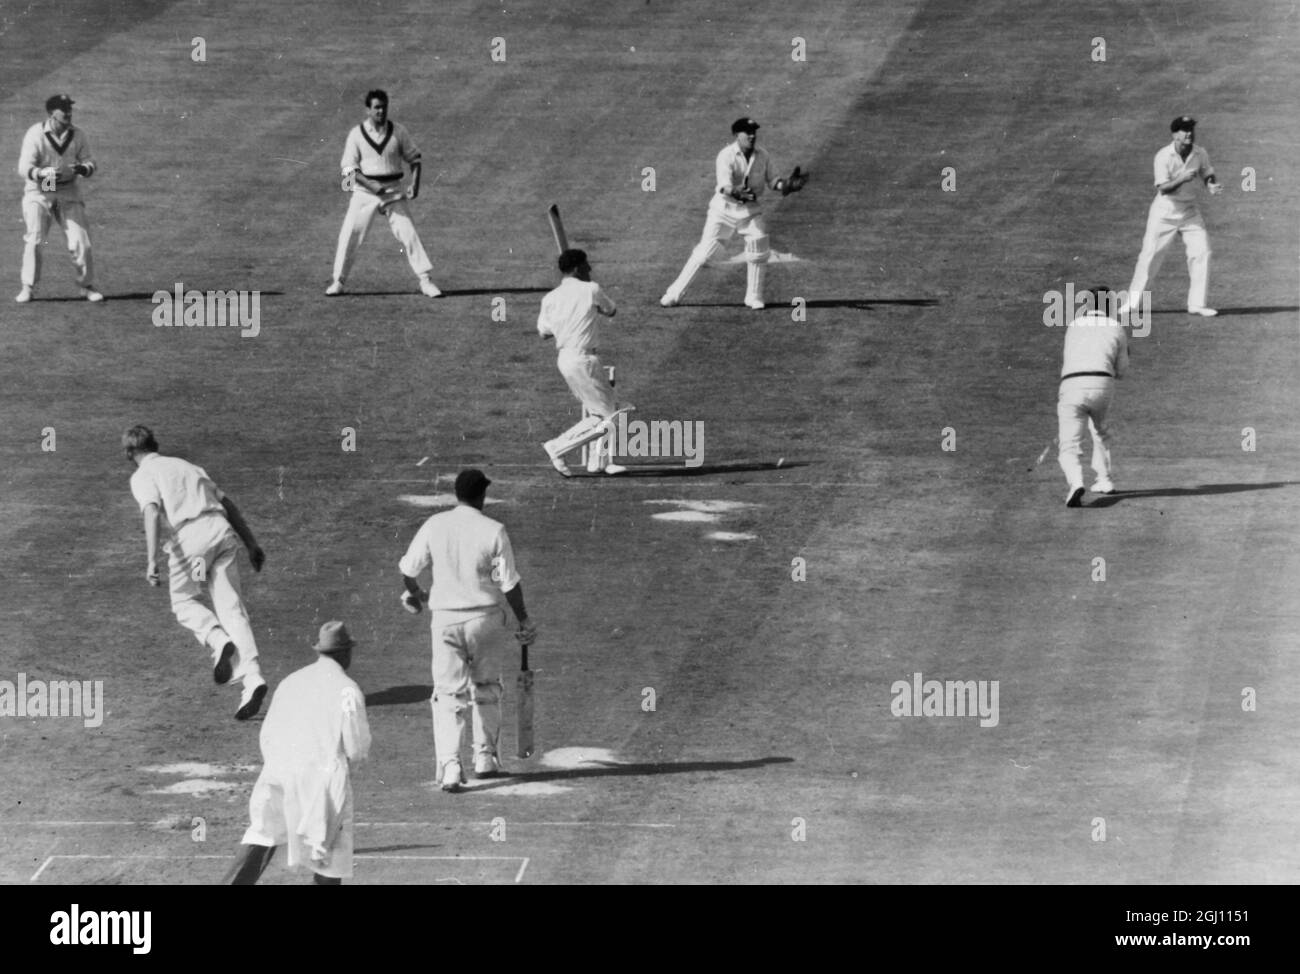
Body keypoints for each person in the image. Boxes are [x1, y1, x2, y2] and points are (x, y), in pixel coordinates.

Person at [398, 469, 535, 792]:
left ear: (457, 494)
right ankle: (485, 758)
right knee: (486, 687)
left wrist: (417, 594)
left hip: (445, 620)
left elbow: (408, 570)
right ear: (482, 495)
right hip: (484, 620)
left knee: (448, 694)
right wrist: (524, 619)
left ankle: (450, 766)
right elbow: (509, 583)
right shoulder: (494, 530)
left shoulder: (435, 524)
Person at [123, 425, 268, 719]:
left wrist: (151, 560)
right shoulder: (187, 465)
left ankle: (218, 641)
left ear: (129, 453)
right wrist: (251, 543)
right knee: (232, 609)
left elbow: (151, 511)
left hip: (191, 539)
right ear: (156, 444)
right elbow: (227, 504)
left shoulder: (143, 476)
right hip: (221, 532)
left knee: (184, 601)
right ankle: (252, 679)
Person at [227, 621, 371, 885]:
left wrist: (278, 765)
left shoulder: (290, 681)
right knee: (330, 856)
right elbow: (357, 748)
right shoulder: (347, 688)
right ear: (345, 654)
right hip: (321, 777)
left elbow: (267, 735)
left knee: (261, 835)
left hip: (278, 770)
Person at [660, 117, 802, 310]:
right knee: (704, 254)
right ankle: (674, 294)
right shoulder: (725, 155)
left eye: (754, 132)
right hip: (723, 210)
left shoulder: (763, 155)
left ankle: (754, 297)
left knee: (758, 244)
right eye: (747, 132)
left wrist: (787, 185)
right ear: (737, 135)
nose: (752, 136)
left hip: (749, 210)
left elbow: (773, 181)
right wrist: (736, 192)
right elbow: (724, 186)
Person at [326, 89, 442, 298]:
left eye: (384, 107)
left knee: (409, 234)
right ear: (368, 110)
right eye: (376, 107)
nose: (381, 111)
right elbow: (348, 170)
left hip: (393, 191)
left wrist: (414, 185)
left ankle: (426, 281)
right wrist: (371, 186)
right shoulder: (356, 134)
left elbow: (415, 159)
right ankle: (338, 282)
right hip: (364, 193)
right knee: (350, 235)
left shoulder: (398, 131)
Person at [538, 248, 628, 476]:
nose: (590, 269)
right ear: (578, 268)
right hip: (583, 359)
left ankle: (599, 463)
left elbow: (544, 332)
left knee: (601, 412)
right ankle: (557, 447)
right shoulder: (591, 289)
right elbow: (612, 310)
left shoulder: (550, 298)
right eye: (587, 265)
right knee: (609, 417)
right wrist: (592, 307)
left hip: (566, 359)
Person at [1123, 116, 1223, 317]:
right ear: (1174, 134)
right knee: (1150, 257)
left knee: (1202, 252)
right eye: (1184, 130)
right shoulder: (1163, 156)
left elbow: (1207, 172)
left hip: (1189, 212)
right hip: (1164, 213)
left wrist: (1211, 184)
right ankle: (1132, 304)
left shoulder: (1199, 152)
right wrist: (1182, 178)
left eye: (1191, 129)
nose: (1189, 134)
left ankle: (1197, 304)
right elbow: (1163, 188)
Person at [15, 94, 102, 303]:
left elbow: (90, 162)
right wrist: (42, 174)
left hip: (68, 190)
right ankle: (28, 287)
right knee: (35, 239)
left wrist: (82, 168)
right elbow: (24, 167)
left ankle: (86, 286)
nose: (68, 113)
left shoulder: (78, 134)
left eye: (69, 108)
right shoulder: (35, 134)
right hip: (41, 190)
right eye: (63, 109)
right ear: (51, 113)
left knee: (81, 242)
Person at [1057, 288, 1130, 507]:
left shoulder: (1073, 326)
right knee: (1101, 431)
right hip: (1102, 384)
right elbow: (1123, 371)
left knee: (1069, 444)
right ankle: (1105, 480)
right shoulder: (1117, 328)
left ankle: (1076, 482)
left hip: (1072, 384)